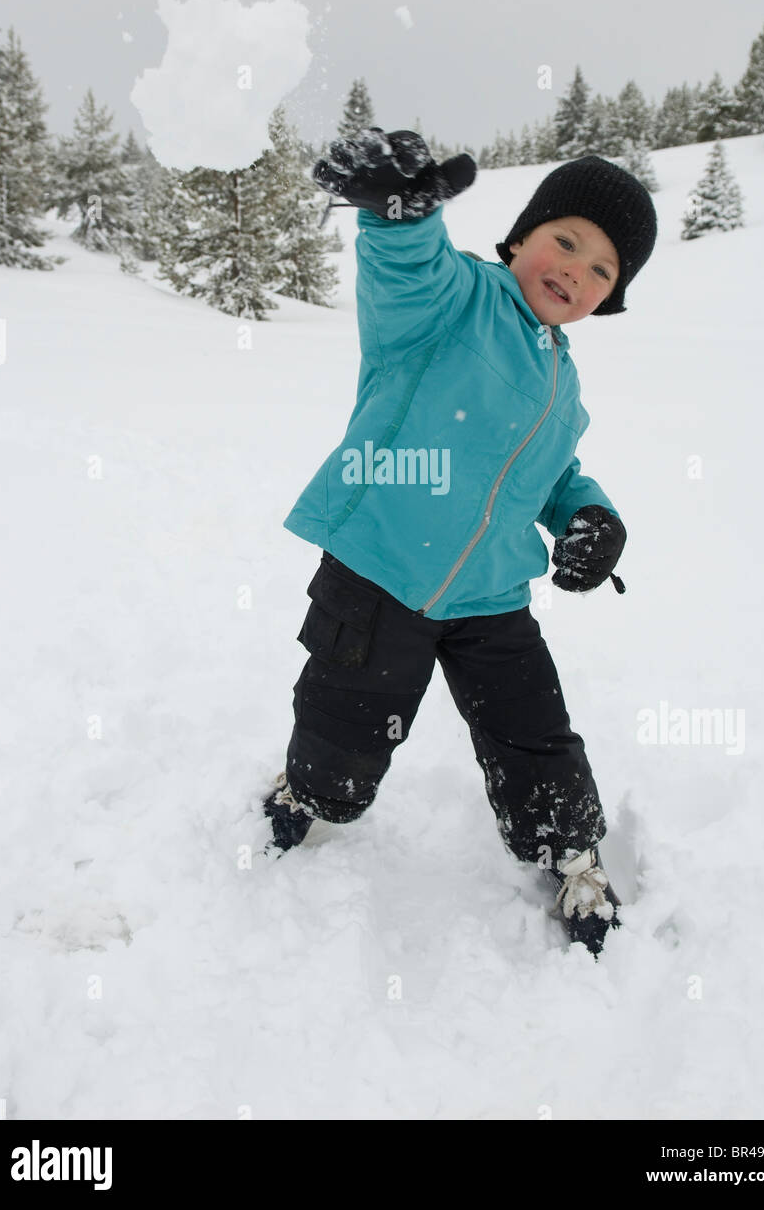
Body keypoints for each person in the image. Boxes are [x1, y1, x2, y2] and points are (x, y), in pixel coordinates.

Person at [262, 128, 657, 957]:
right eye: (566, 241)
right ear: (521, 236)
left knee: (534, 729)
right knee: (349, 715)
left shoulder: (563, 375)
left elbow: (553, 471)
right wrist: (402, 221)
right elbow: (406, 275)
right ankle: (309, 795)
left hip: (491, 592)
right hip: (381, 566)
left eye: (601, 271)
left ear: (608, 300)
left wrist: (590, 515)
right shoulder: (455, 300)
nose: (574, 272)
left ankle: (568, 845)